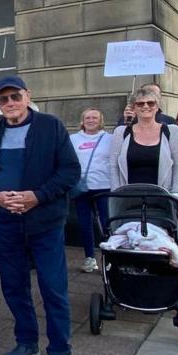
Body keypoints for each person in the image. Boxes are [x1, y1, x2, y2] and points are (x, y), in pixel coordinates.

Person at [0, 76, 80, 355]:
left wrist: (37, 196)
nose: (9, 103)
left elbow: (70, 171)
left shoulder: (51, 126)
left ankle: (60, 350)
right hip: (6, 223)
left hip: (44, 222)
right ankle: (27, 341)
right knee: (14, 286)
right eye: (3, 99)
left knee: (52, 286)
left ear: (27, 96)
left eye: (15, 97)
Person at [109, 85, 178, 194]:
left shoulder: (172, 131)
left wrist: (177, 193)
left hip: (163, 198)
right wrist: (116, 194)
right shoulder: (121, 132)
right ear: (133, 107)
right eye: (140, 103)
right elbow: (113, 166)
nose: (145, 106)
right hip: (127, 198)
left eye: (150, 103)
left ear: (157, 106)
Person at [69, 108, 112, 273]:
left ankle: (108, 258)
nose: (91, 120)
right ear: (82, 120)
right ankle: (89, 258)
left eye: (95, 117)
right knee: (84, 224)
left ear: (101, 120)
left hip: (104, 186)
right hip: (81, 188)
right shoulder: (73, 139)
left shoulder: (110, 138)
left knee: (106, 223)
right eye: (88, 117)